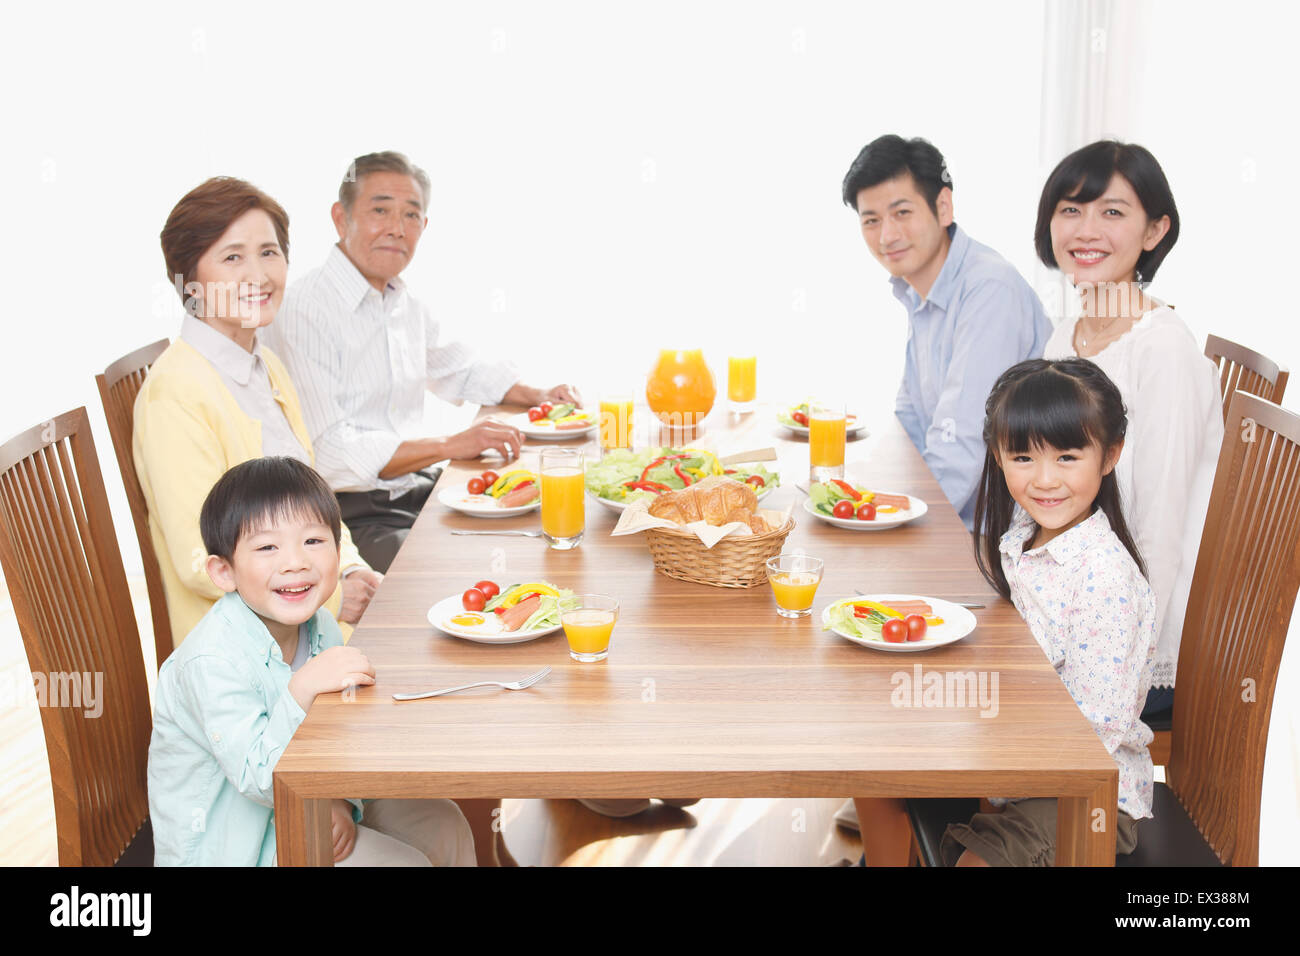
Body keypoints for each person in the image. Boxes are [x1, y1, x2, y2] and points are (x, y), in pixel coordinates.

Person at [854, 358, 1156, 865]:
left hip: (1085, 797)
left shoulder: (1104, 580)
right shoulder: (1026, 540)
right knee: (873, 774)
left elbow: (1093, 736)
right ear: (997, 455)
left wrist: (979, 756)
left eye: (1066, 457)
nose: (1044, 480)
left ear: (1109, 456)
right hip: (1019, 760)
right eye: (1022, 457)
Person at [262, 150, 581, 575]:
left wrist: (538, 394)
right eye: (380, 210)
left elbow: (460, 369)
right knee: (472, 569)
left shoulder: (400, 301)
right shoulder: (305, 307)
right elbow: (330, 451)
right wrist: (451, 445)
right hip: (343, 516)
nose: (397, 228)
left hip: (410, 488)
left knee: (533, 527)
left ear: (424, 227)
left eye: (412, 216)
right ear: (341, 218)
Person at [148, 457, 476, 866]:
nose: (294, 562)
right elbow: (259, 779)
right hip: (238, 846)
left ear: (339, 550)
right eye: (267, 547)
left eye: (314, 542)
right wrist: (300, 690)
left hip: (311, 796)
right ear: (224, 572)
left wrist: (338, 798)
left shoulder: (320, 624)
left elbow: (338, 736)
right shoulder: (211, 661)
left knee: (443, 824)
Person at [134, 177, 381, 646]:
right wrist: (331, 597)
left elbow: (315, 502)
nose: (259, 275)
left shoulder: (264, 363)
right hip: (246, 664)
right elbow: (201, 561)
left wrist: (351, 568)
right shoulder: (176, 394)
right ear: (189, 278)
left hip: (303, 628)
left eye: (269, 252)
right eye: (233, 257)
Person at [1036, 141, 1222, 722]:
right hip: (1076, 604)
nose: (1086, 229)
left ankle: (983, 811)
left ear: (1154, 230)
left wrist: (1123, 667)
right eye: (1071, 209)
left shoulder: (1162, 348)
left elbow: (1161, 529)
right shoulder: (1068, 333)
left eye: (1112, 212)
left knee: (964, 690)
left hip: (1134, 644)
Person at [842, 134, 1052, 532]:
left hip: (1002, 539)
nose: (886, 236)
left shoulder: (988, 290)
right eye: (871, 220)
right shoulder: (921, 291)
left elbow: (960, 445)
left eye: (901, 212)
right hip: (958, 523)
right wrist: (864, 492)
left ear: (943, 207)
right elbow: (912, 421)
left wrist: (890, 520)